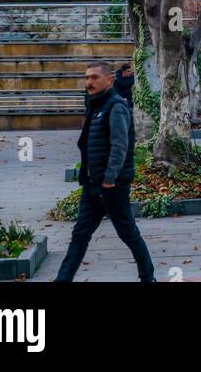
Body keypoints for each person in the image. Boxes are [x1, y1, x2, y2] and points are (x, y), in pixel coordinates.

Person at [54, 61, 155, 283]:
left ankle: (148, 278)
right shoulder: (96, 105)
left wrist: (110, 178)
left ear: (109, 80)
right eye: (87, 77)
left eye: (94, 77)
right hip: (92, 186)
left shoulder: (116, 106)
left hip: (111, 186)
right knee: (80, 235)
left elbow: (120, 146)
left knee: (128, 234)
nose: (89, 82)